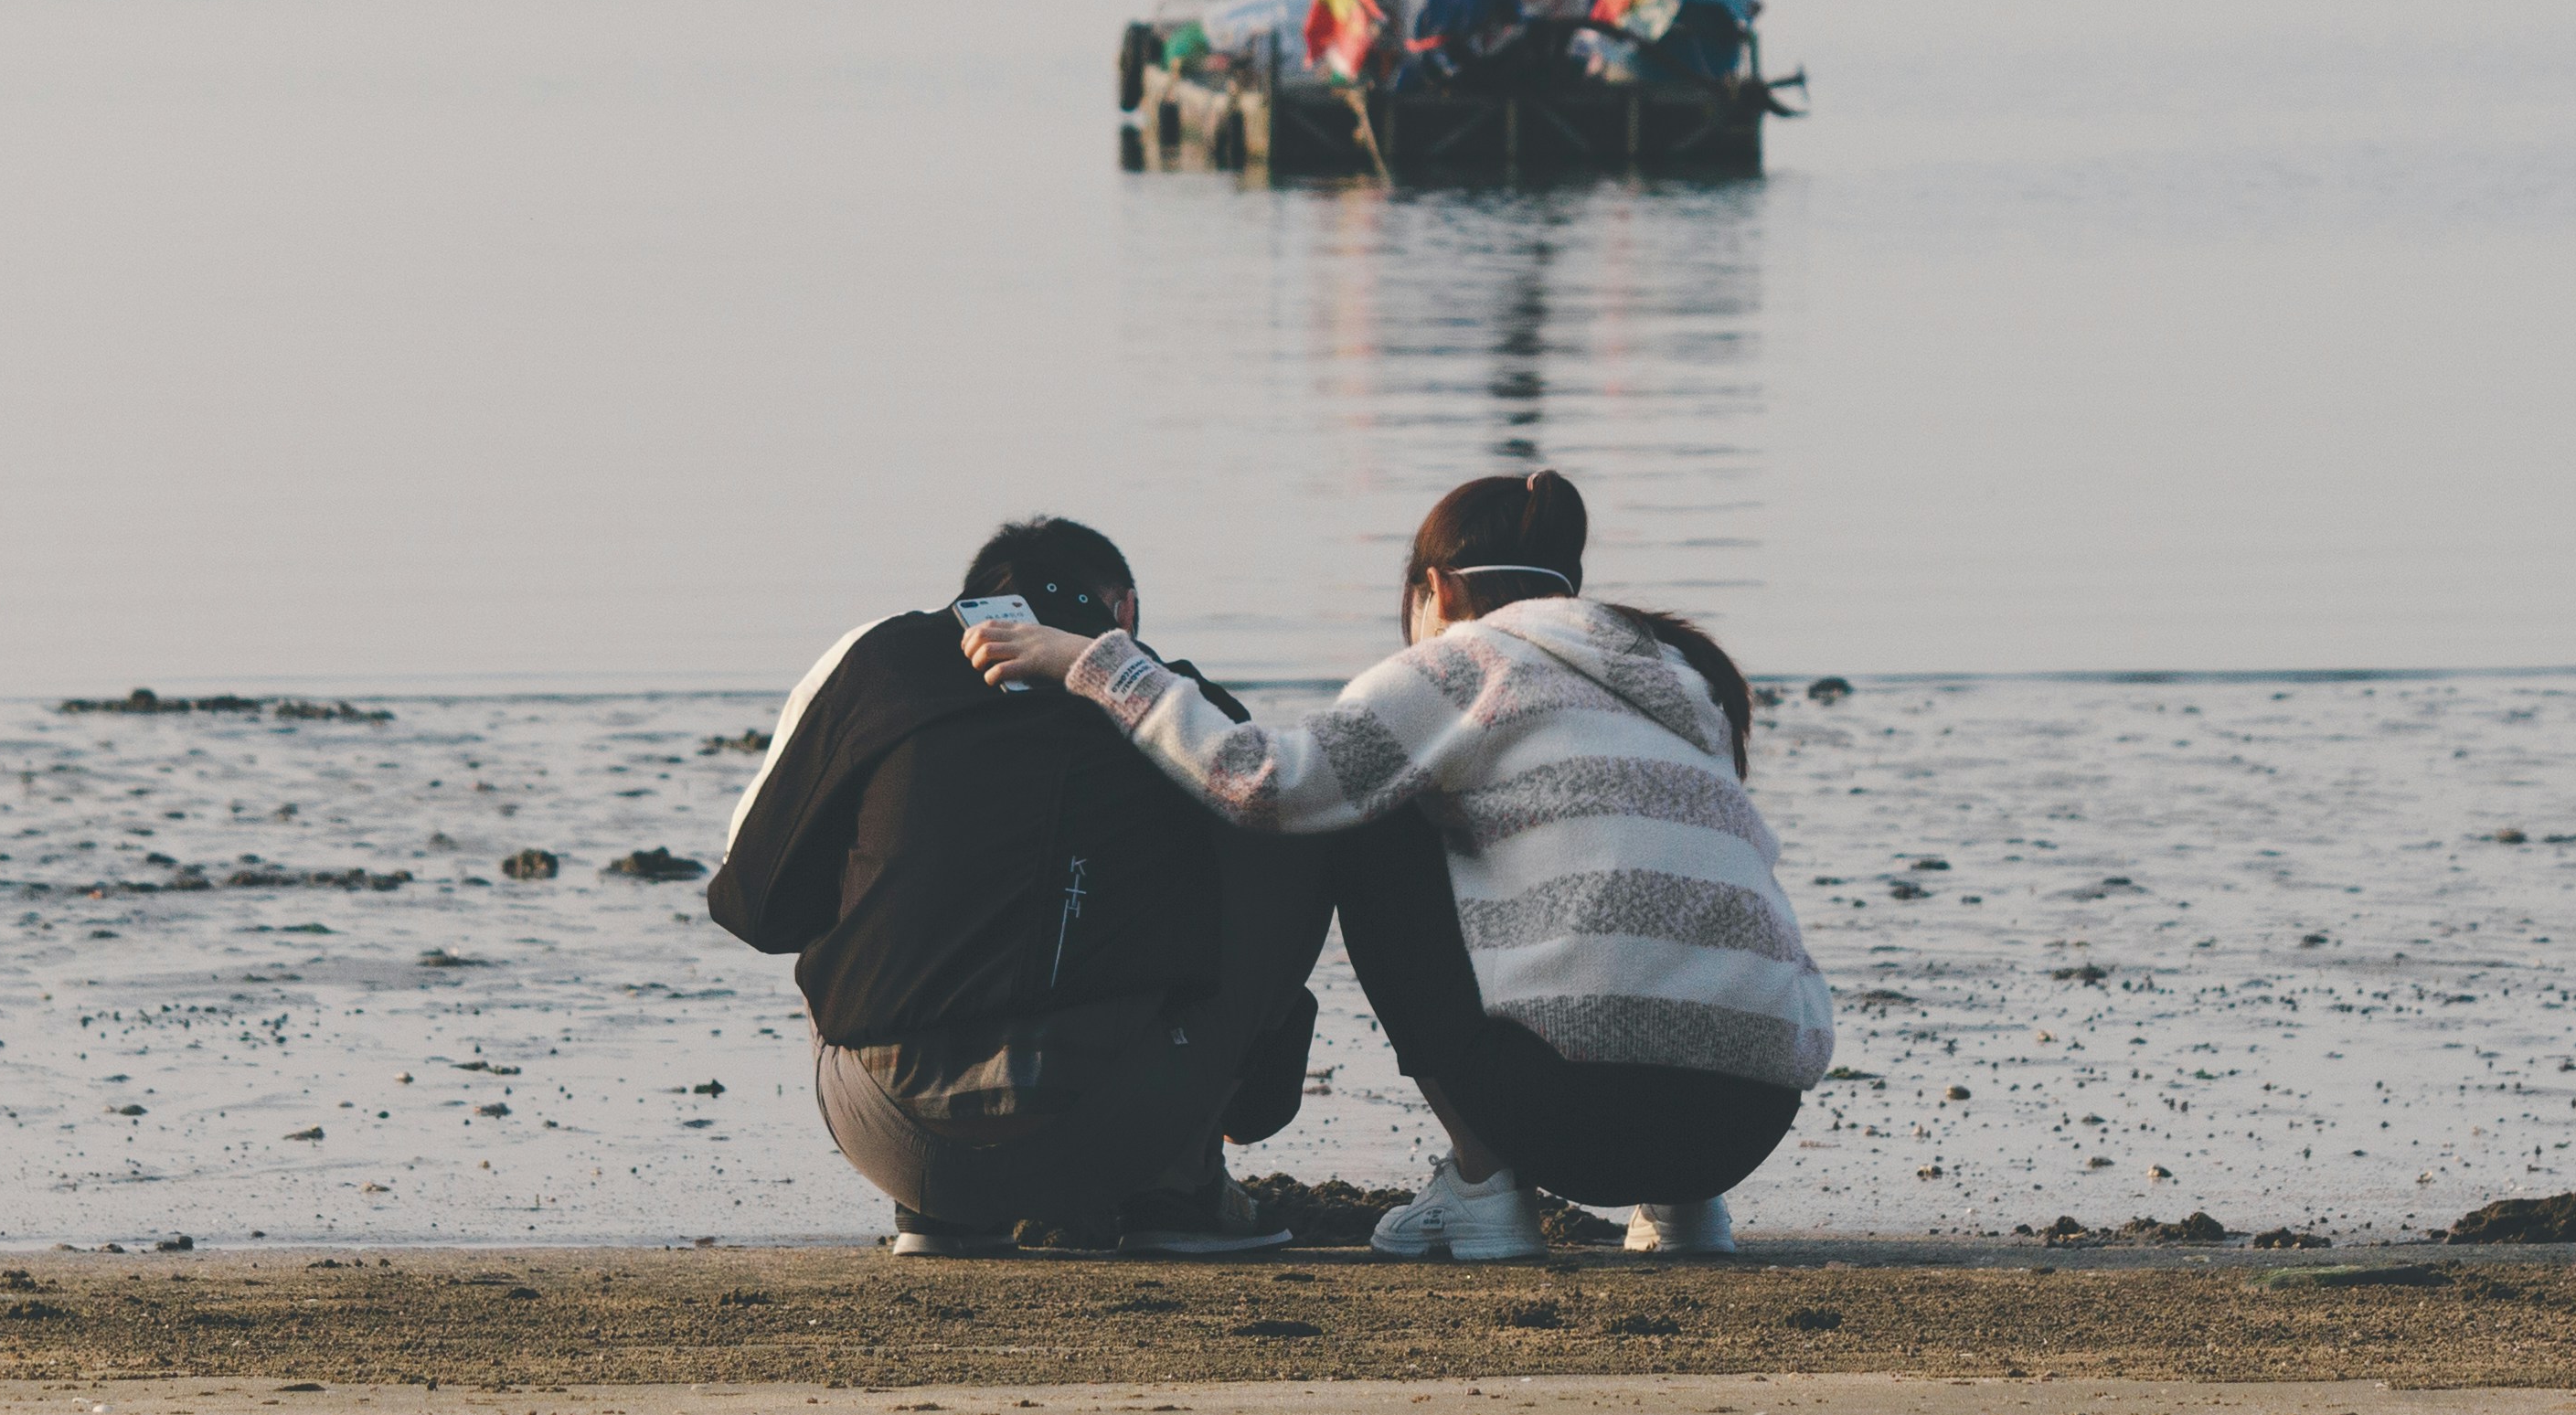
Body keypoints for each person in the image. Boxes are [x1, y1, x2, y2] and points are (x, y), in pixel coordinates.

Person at [962, 469, 1827, 1261]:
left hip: (1568, 1112)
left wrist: (1093, 660)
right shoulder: (1682, 680)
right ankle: (1683, 1206)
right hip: (1747, 1120)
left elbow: (1265, 783)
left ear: (1436, 590)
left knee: (1362, 821)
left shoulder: (1463, 661)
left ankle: (1484, 1188)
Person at [712, 516, 1331, 1258]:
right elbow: (1285, 840)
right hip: (1124, 1128)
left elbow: (754, 904)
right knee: (1288, 825)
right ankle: (1178, 1188)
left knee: (832, 862)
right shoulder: (1176, 700)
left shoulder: (878, 663)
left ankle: (938, 1210)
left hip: (892, 1134)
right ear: (1123, 610)